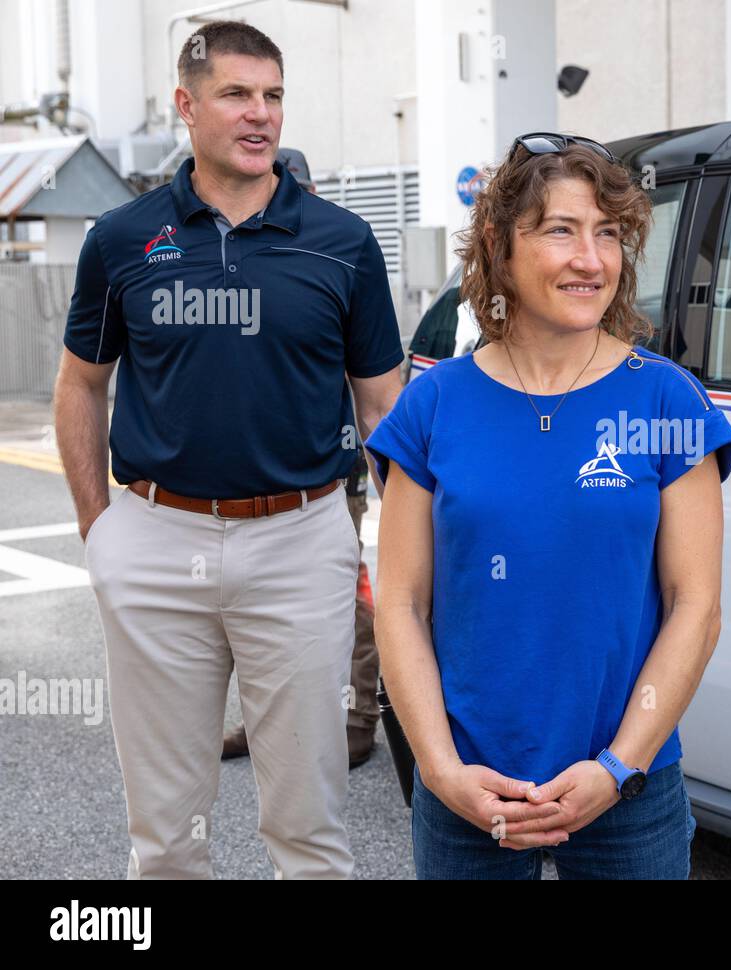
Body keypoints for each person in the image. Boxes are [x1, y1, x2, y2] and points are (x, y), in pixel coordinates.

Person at [53, 21, 403, 878]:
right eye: (236, 94)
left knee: (310, 828)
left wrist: (404, 545)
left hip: (300, 539)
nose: (260, 115)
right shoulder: (121, 240)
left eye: (273, 95)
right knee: (166, 837)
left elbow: (384, 400)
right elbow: (81, 385)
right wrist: (101, 528)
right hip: (154, 539)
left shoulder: (343, 243)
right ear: (186, 105)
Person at [367, 132, 731, 879]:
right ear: (502, 249)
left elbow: (694, 606)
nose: (591, 259)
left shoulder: (665, 399)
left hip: (628, 791)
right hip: (469, 790)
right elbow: (400, 603)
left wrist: (617, 768)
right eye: (562, 231)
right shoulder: (434, 404)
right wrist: (440, 772)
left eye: (608, 234)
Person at [222, 149, 381, 769]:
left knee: (344, 598)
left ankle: (355, 718)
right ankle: (264, 720)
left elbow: (371, 380)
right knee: (241, 601)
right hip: (244, 477)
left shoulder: (331, 252)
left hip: (328, 474)